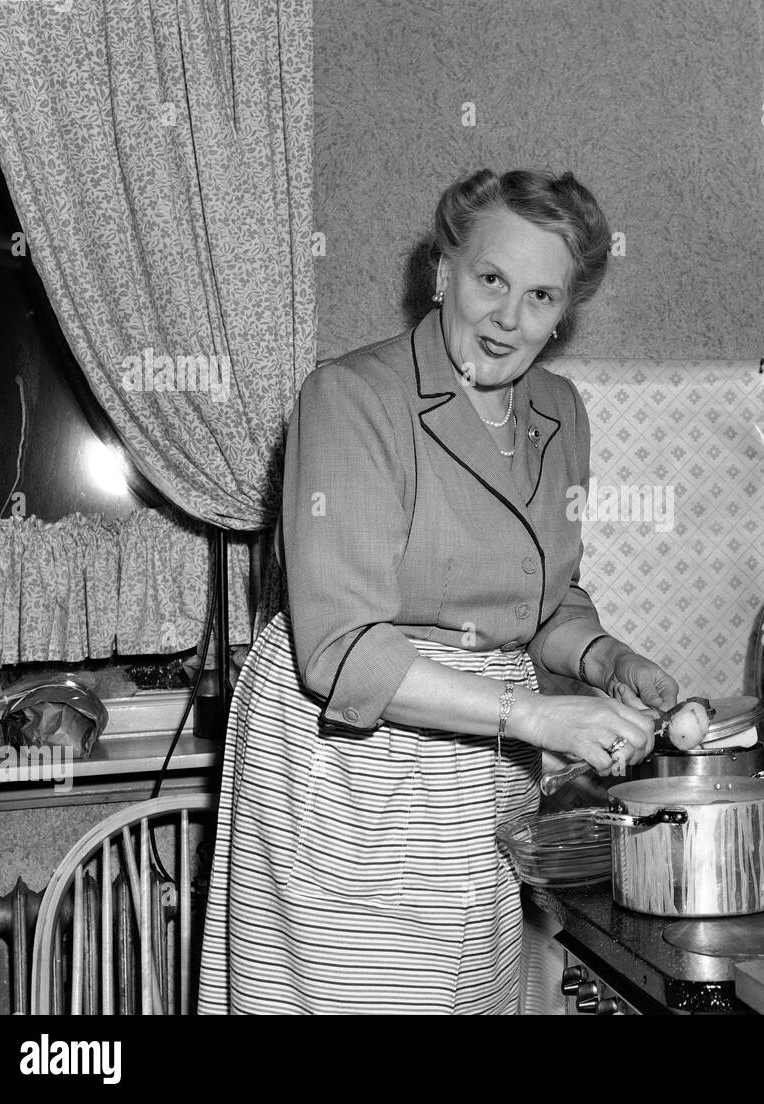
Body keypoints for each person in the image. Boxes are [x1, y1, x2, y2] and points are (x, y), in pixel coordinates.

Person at [198, 168, 696, 1014]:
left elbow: (543, 600)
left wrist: (607, 657)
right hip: (352, 761)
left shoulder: (560, 411)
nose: (509, 317)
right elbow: (340, 645)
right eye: (491, 279)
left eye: (540, 295)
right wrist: (537, 716)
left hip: (485, 769)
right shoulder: (351, 396)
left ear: (565, 311)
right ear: (441, 271)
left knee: (471, 994)